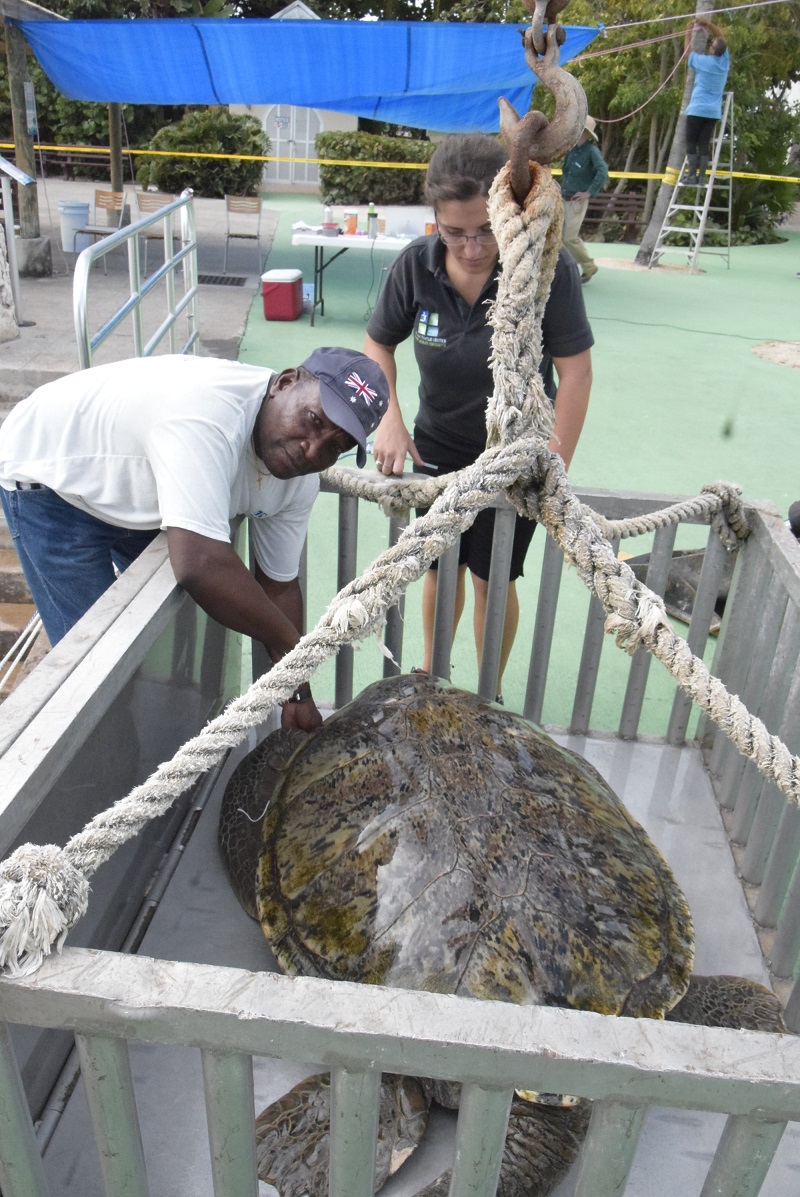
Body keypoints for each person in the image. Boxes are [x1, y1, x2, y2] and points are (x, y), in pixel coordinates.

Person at [0, 348, 389, 730]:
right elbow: (199, 564)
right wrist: (290, 644)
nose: (312, 448)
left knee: (155, 638)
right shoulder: (208, 413)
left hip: (141, 485)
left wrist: (298, 691)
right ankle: (107, 753)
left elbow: (279, 586)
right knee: (94, 672)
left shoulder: (299, 481)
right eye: (313, 420)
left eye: (335, 447)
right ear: (284, 383)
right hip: (52, 483)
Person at [364, 133, 593, 700]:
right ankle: (431, 669)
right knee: (440, 568)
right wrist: (389, 417)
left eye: (485, 231)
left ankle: (489, 687)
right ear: (435, 221)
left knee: (494, 576)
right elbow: (378, 345)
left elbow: (576, 373)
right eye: (454, 233)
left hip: (515, 454)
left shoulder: (546, 268)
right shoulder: (415, 267)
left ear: (505, 214)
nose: (470, 248)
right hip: (436, 447)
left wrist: (552, 463)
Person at [559, 115, 609, 284]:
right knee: (560, 238)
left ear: (585, 133)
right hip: (564, 198)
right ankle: (566, 269)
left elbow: (603, 171)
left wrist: (589, 192)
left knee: (570, 238)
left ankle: (588, 266)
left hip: (576, 201)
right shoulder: (572, 150)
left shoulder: (591, 151)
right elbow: (566, 173)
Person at [684, 18, 731, 185]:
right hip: (713, 112)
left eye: (711, 45)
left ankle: (691, 176)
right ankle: (702, 177)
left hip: (697, 109)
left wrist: (688, 32)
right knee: (703, 144)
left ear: (712, 50)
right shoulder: (724, 62)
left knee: (691, 142)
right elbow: (721, 38)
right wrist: (709, 24)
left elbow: (688, 53)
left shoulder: (703, 62)